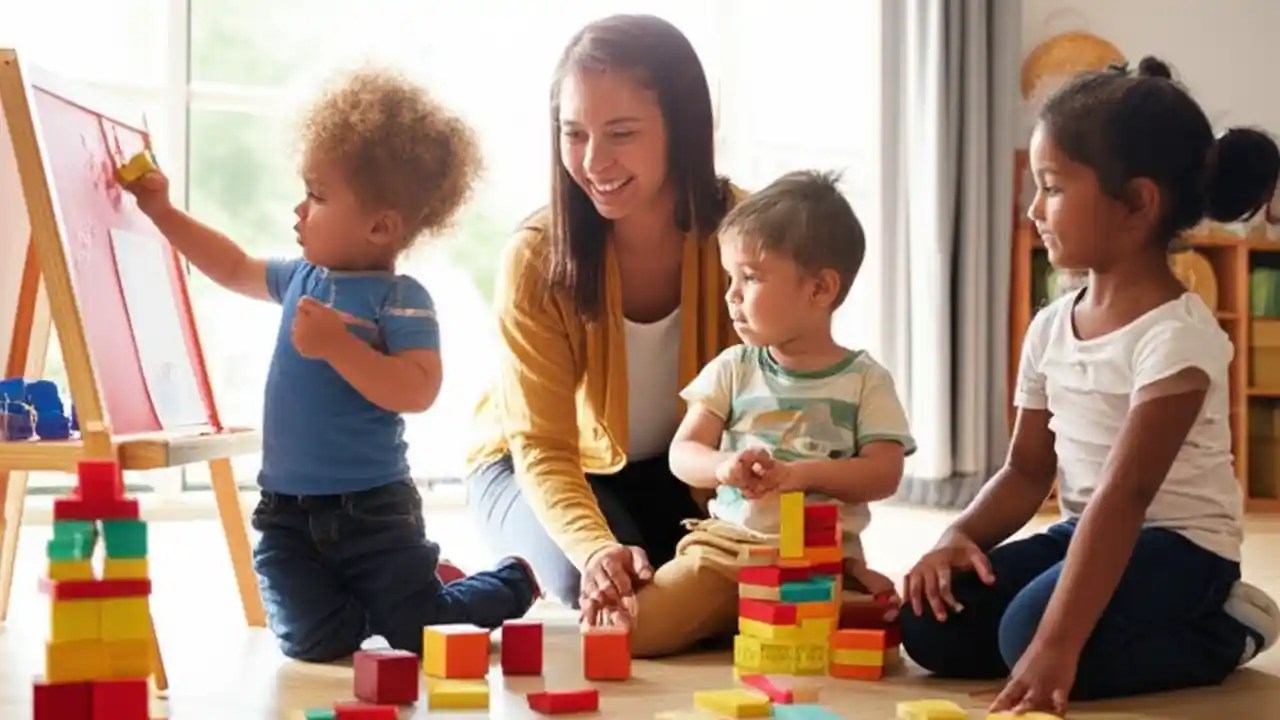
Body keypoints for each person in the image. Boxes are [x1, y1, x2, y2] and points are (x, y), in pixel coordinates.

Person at [899, 57, 1280, 716]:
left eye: (1050, 187)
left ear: (1138, 203)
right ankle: (1053, 631)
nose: (1033, 209)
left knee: (1031, 636)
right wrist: (955, 538)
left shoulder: (1177, 337)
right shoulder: (1051, 326)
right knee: (931, 623)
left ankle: (1225, 629)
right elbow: (1025, 471)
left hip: (1183, 551)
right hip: (1088, 532)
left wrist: (1055, 642)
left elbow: (1125, 497)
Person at [124, 67, 539, 662]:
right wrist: (162, 212)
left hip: (374, 511)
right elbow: (233, 266)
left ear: (380, 226)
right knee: (310, 641)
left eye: (317, 196)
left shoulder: (400, 299)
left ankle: (509, 581)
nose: (299, 210)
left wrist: (340, 347)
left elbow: (418, 389)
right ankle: (395, 595)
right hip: (286, 512)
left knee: (419, 631)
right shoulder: (301, 278)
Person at [464, 13, 743, 642]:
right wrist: (594, 548)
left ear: (684, 129)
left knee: (706, 581)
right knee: (602, 585)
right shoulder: (536, 256)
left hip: (676, 469)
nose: (593, 161)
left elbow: (780, 395)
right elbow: (541, 447)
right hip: (530, 465)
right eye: (573, 134)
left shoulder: (747, 237)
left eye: (621, 133)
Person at [579, 170, 914, 653]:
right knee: (633, 632)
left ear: (820, 289)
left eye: (751, 278)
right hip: (727, 550)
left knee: (878, 632)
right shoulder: (733, 367)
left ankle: (758, 614)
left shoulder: (865, 380)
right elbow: (683, 452)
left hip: (819, 563)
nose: (731, 295)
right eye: (730, 278)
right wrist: (722, 467)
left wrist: (802, 475)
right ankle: (735, 613)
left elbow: (884, 474)